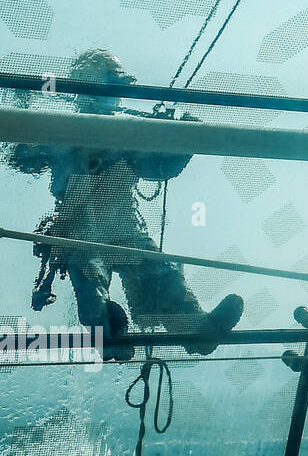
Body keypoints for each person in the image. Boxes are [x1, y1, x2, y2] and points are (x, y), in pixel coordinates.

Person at [5, 50, 244, 361]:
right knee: (91, 289)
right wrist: (23, 111)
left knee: (160, 273)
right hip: (81, 229)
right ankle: (111, 334)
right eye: (112, 85)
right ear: (90, 87)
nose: (118, 95)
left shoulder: (127, 131)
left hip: (124, 225)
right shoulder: (62, 129)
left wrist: (184, 135)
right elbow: (21, 156)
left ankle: (197, 330)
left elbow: (159, 168)